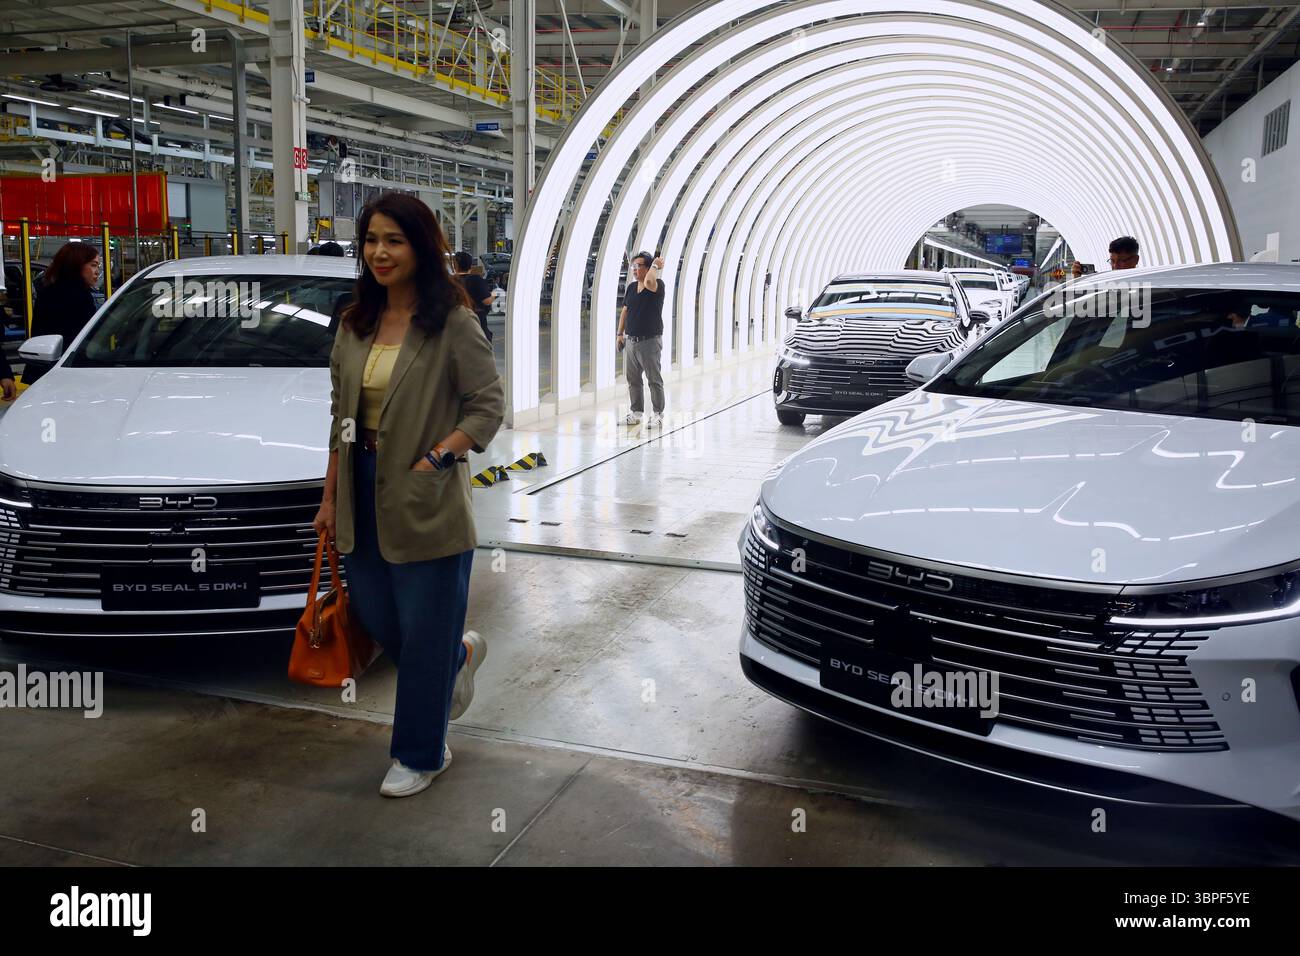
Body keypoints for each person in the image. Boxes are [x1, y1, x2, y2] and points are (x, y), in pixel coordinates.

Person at [313, 192, 504, 799]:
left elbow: (487, 404)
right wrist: (328, 497)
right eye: (371, 239)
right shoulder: (353, 324)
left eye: (393, 240)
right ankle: (455, 662)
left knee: (422, 632)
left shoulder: (450, 322)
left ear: (421, 246)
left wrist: (438, 456)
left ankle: (420, 752)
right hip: (359, 487)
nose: (380, 252)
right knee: (377, 614)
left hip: (426, 491)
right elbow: (342, 418)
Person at [616, 250, 666, 427]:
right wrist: (620, 334)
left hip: (650, 341)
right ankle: (636, 413)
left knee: (654, 380)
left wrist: (654, 267)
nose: (634, 270)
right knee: (633, 380)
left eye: (638, 266)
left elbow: (650, 281)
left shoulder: (657, 285)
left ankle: (658, 414)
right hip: (632, 341)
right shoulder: (631, 287)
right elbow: (625, 310)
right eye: (633, 266)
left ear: (648, 267)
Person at [31, 242, 101, 345]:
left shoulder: (47, 292)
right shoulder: (81, 296)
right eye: (93, 265)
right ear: (76, 265)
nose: (97, 272)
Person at [453, 251, 494, 342]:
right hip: (476, 324)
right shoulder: (475, 279)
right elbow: (487, 301)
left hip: (456, 325)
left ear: (455, 266)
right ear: (470, 265)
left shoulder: (450, 281)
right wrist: (496, 294)